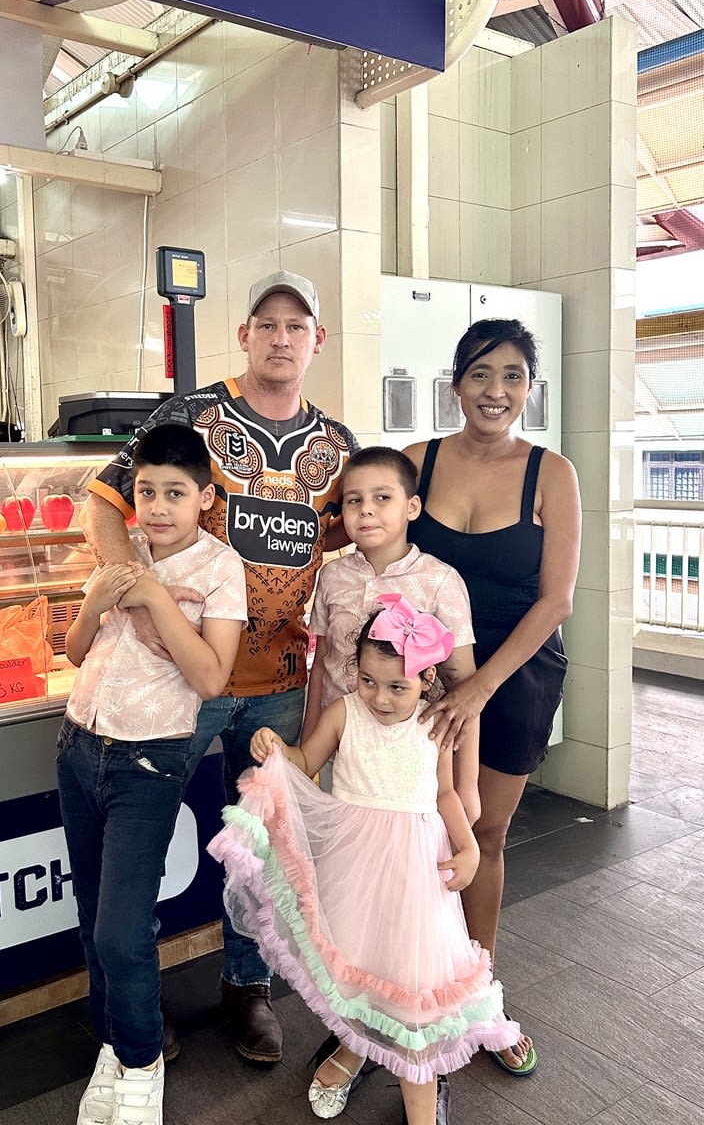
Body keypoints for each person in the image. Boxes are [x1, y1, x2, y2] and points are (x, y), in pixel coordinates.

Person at [82, 271, 358, 1063]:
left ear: (316, 341)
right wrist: (136, 595)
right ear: (243, 335)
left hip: (278, 684)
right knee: (138, 837)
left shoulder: (334, 444)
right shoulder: (194, 415)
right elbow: (105, 498)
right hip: (180, 677)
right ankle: (138, 1003)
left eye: (295, 326)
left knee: (262, 842)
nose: (280, 338)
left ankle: (248, 987)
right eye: (265, 324)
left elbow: (331, 533)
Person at [209, 597, 519, 1125]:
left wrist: (467, 847)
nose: (380, 696)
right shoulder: (343, 712)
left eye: (398, 686)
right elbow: (306, 764)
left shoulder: (432, 726)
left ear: (427, 683)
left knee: (412, 983)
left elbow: (445, 796)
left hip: (416, 874)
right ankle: (355, 1048)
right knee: (359, 965)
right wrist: (277, 751)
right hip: (354, 863)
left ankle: (419, 1102)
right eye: (370, 680)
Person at [404, 318, 581, 1077]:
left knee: (485, 833)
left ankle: (478, 992)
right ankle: (404, 991)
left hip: (513, 678)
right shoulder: (418, 461)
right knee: (412, 839)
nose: (495, 391)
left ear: (529, 389)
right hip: (415, 682)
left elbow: (556, 602)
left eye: (511, 376)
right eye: (480, 375)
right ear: (456, 386)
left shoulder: (553, 473)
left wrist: (478, 686)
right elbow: (366, 540)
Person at [58, 424, 247, 1125]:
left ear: (205, 497)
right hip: (80, 745)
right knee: (91, 919)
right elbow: (77, 651)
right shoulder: (122, 551)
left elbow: (210, 677)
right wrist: (95, 601)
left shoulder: (220, 569)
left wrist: (157, 597)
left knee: (121, 930)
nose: (159, 507)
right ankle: (114, 1043)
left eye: (175, 492)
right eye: (146, 492)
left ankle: (142, 1065)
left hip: (148, 760)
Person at [301, 445, 480, 822]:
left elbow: (464, 685)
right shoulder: (332, 577)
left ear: (411, 508)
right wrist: (307, 747)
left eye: (382, 498)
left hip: (414, 755)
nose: (366, 509)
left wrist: (467, 783)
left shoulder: (439, 581)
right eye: (354, 500)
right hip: (344, 749)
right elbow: (322, 666)